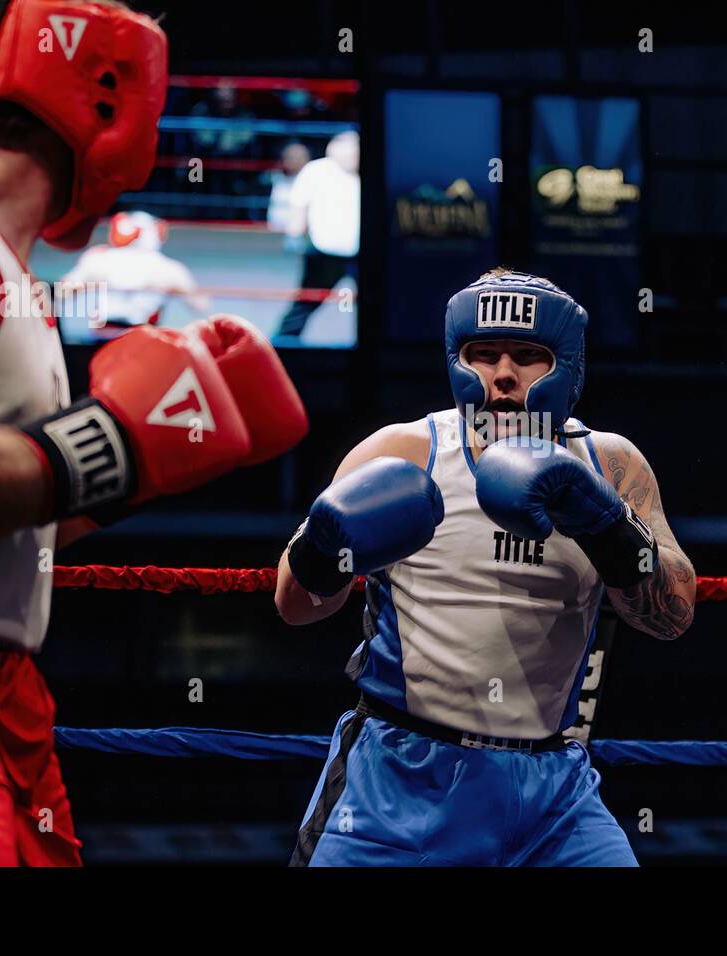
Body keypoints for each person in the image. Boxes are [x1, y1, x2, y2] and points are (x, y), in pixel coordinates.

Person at [0, 0, 307, 866]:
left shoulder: (18, 280)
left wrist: (153, 468)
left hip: (7, 687)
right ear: (106, 97)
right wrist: (123, 442)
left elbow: (14, 521)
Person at [275, 269, 696, 866]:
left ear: (567, 366)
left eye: (528, 356)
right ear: (457, 360)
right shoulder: (403, 451)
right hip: (401, 778)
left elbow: (673, 616)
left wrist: (609, 526)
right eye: (482, 354)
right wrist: (326, 545)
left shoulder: (610, 463)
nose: (502, 375)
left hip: (554, 792)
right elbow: (293, 606)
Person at [59, 211, 210, 331]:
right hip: (141, 342)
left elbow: (61, 293)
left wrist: (91, 284)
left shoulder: (99, 259)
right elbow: (201, 305)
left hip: (105, 342)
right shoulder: (169, 268)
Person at [276, 131, 359, 339]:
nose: (350, 153)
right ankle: (283, 346)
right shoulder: (316, 171)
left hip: (363, 252)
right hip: (324, 251)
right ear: (332, 148)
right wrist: (294, 232)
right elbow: (298, 205)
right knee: (305, 303)